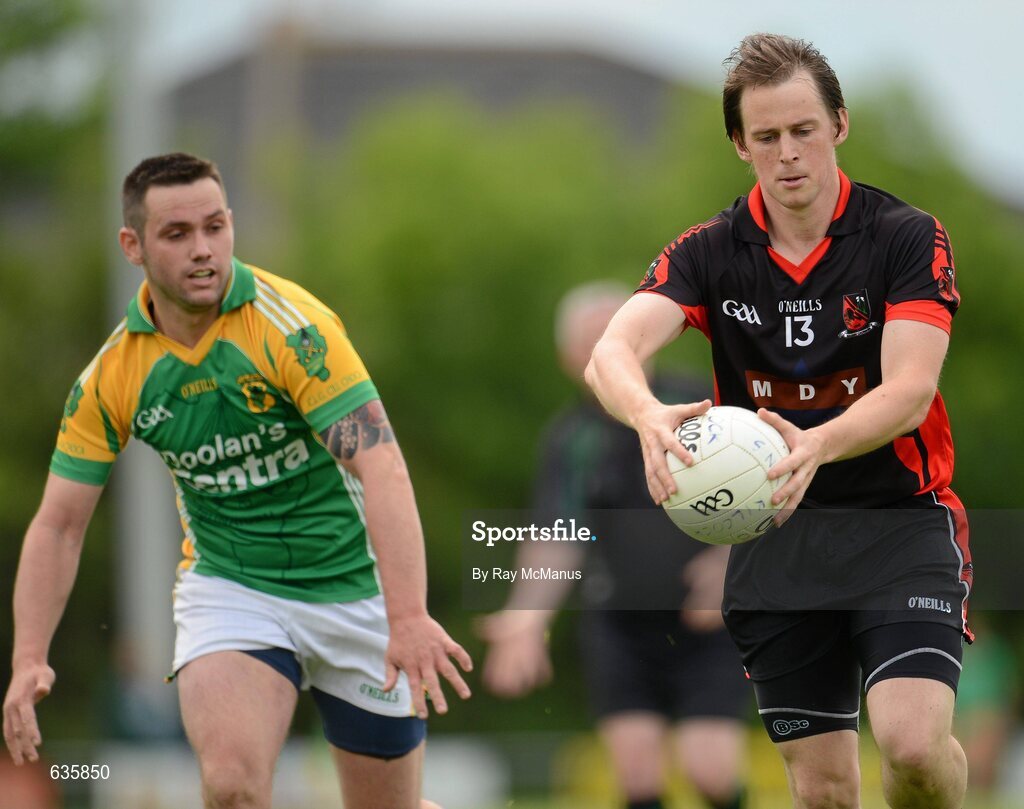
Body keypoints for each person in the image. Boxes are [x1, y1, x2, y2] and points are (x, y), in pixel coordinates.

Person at [2, 152, 470, 809]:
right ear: (132, 246)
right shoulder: (112, 375)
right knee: (231, 786)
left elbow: (381, 464)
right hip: (232, 587)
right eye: (177, 234)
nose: (204, 250)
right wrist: (29, 656)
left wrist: (409, 614)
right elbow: (58, 524)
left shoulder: (293, 329)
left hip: (355, 588)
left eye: (215, 227)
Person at [585, 34, 972, 809]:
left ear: (839, 125)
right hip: (772, 537)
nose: (788, 153)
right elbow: (611, 352)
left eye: (804, 130)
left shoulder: (904, 236)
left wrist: (815, 445)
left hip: (897, 525)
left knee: (914, 747)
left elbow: (910, 391)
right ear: (741, 144)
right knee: (824, 789)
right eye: (767, 137)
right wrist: (649, 415)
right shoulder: (710, 252)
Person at [479, 282, 749, 809]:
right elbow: (557, 534)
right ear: (570, 359)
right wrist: (527, 618)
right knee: (638, 777)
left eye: (617, 334)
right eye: (592, 340)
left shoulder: (701, 407)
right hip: (620, 622)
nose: (608, 348)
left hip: (707, 622)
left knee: (710, 771)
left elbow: (764, 492)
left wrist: (729, 563)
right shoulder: (571, 438)